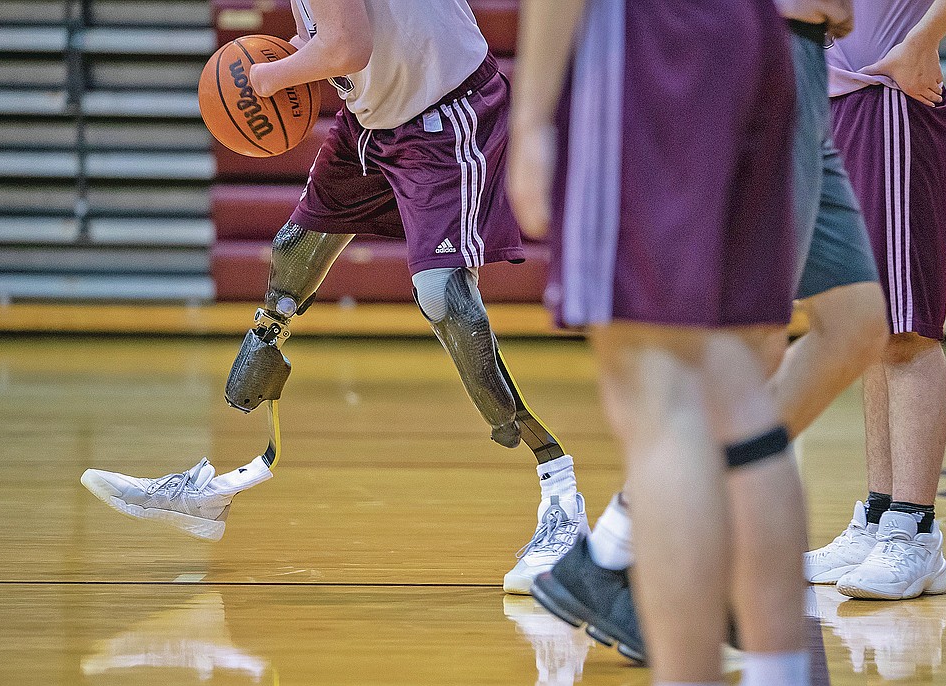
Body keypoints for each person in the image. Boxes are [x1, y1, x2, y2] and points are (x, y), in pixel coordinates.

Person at [79, 0, 588, 595]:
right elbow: (329, 34)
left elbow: (349, 48)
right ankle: (220, 475)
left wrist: (262, 80)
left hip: (447, 119)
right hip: (371, 122)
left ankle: (560, 489)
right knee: (296, 247)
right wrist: (301, 47)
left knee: (443, 293)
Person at [523, 0, 893, 668]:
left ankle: (614, 561)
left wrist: (528, 120)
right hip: (762, 40)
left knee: (667, 388)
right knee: (739, 384)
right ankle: (776, 669)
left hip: (663, 41)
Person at [805, 0, 946, 600]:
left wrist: (924, 40)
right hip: (839, 97)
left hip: (891, 98)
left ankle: (915, 532)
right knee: (873, 328)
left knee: (906, 331)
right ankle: (880, 519)